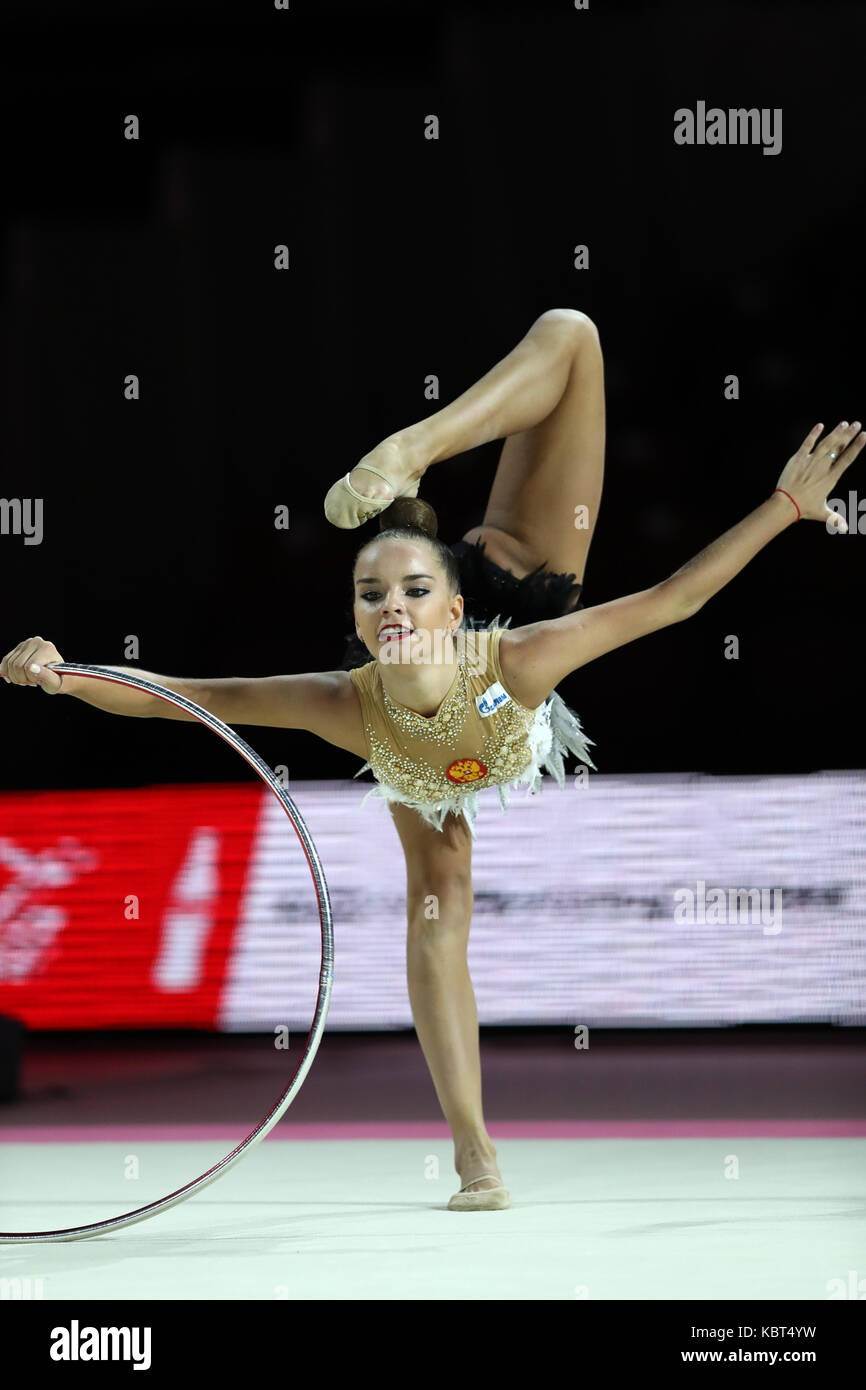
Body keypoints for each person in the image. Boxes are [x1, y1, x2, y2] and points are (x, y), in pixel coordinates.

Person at [4, 308, 862, 1211]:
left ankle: (415, 447)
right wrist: (65, 676)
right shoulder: (344, 705)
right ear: (361, 623)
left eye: (414, 590)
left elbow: (674, 601)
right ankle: (475, 1156)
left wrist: (784, 507)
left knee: (573, 332)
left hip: (514, 585)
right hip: (429, 750)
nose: (391, 605)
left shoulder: (523, 655)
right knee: (438, 913)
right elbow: (187, 696)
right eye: (372, 594)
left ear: (451, 609)